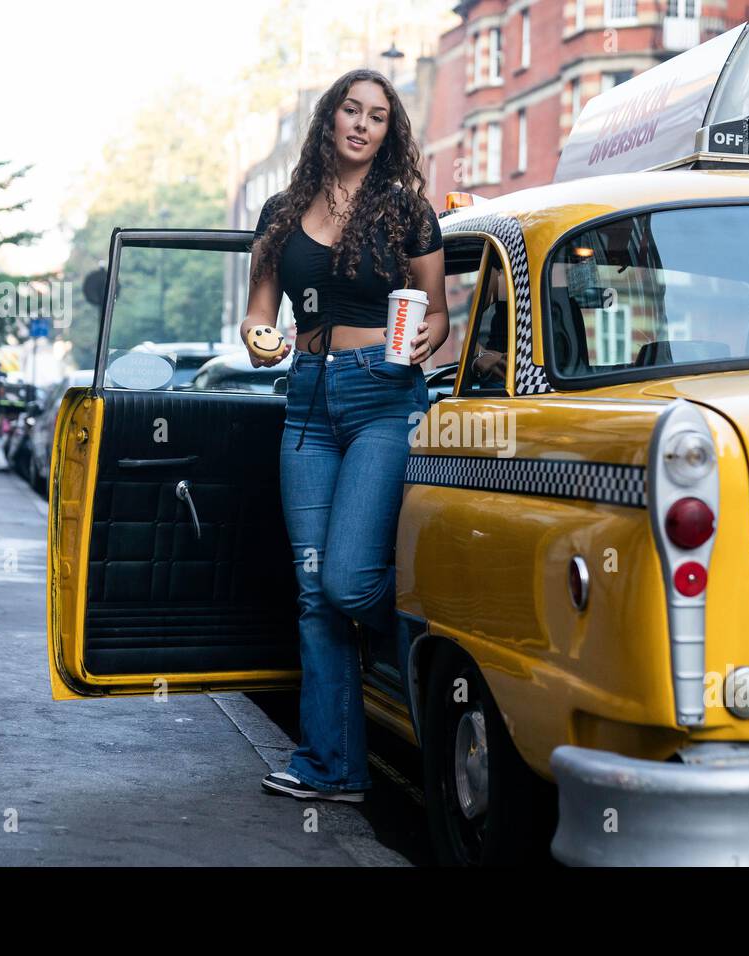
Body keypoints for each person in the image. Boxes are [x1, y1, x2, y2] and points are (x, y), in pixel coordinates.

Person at [242, 69, 446, 803]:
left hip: (382, 398)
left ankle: (444, 613)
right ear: (329, 119)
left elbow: (440, 315)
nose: (361, 124)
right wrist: (261, 339)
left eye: (378, 117)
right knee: (313, 593)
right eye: (351, 110)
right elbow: (259, 313)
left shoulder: (407, 212)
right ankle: (333, 767)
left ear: (390, 133)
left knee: (348, 579)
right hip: (305, 399)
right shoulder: (281, 210)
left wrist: (425, 339)